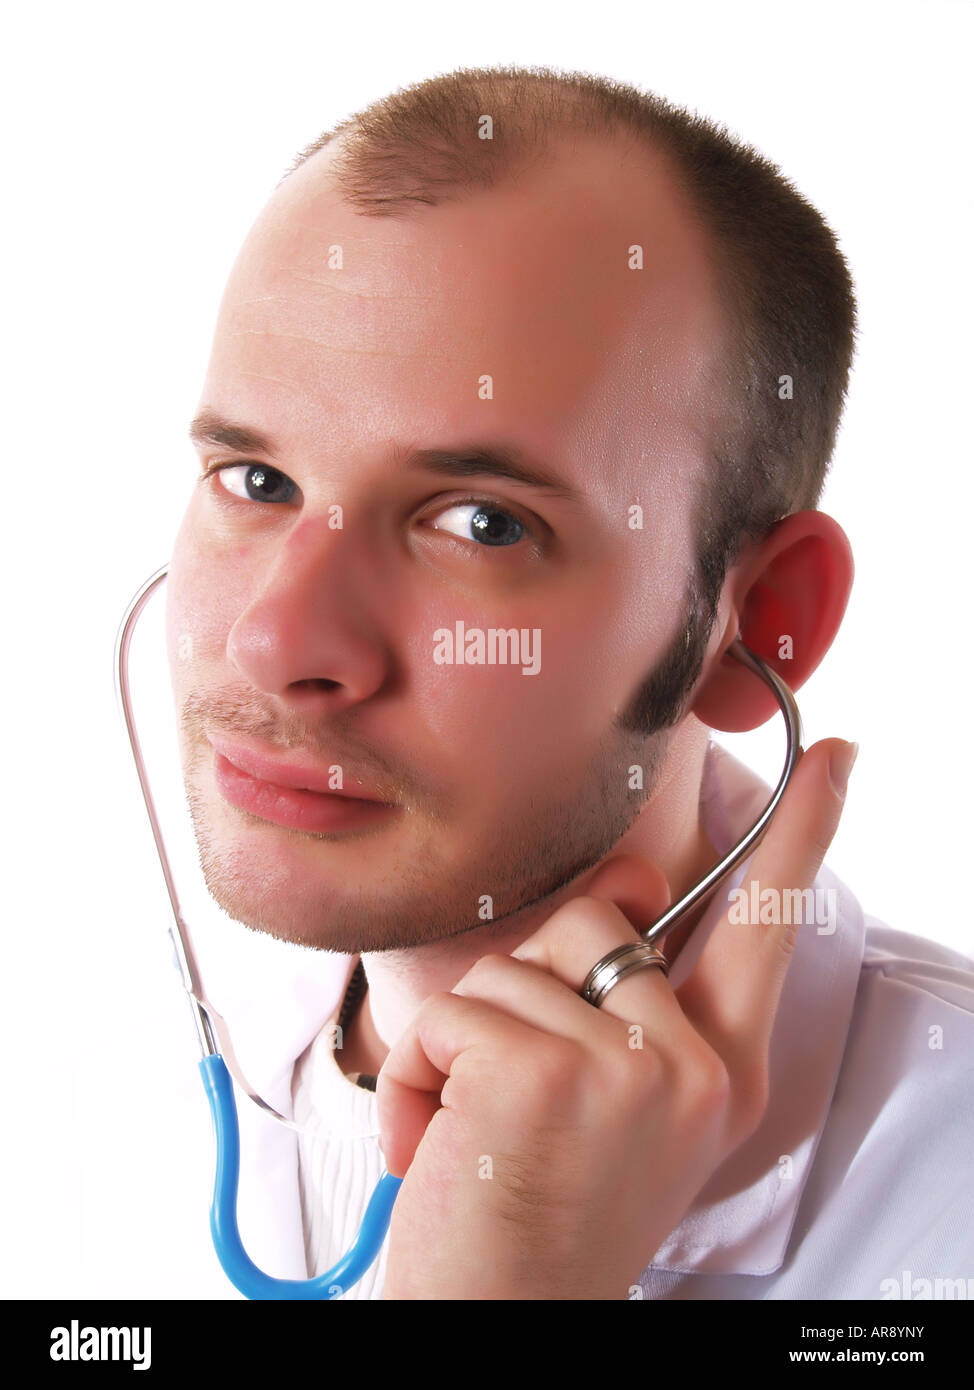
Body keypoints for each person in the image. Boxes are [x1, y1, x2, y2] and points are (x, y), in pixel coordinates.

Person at [164, 64, 974, 1300]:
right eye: (256, 482)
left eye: (482, 523)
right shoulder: (83, 1088)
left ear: (758, 619)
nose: (279, 641)